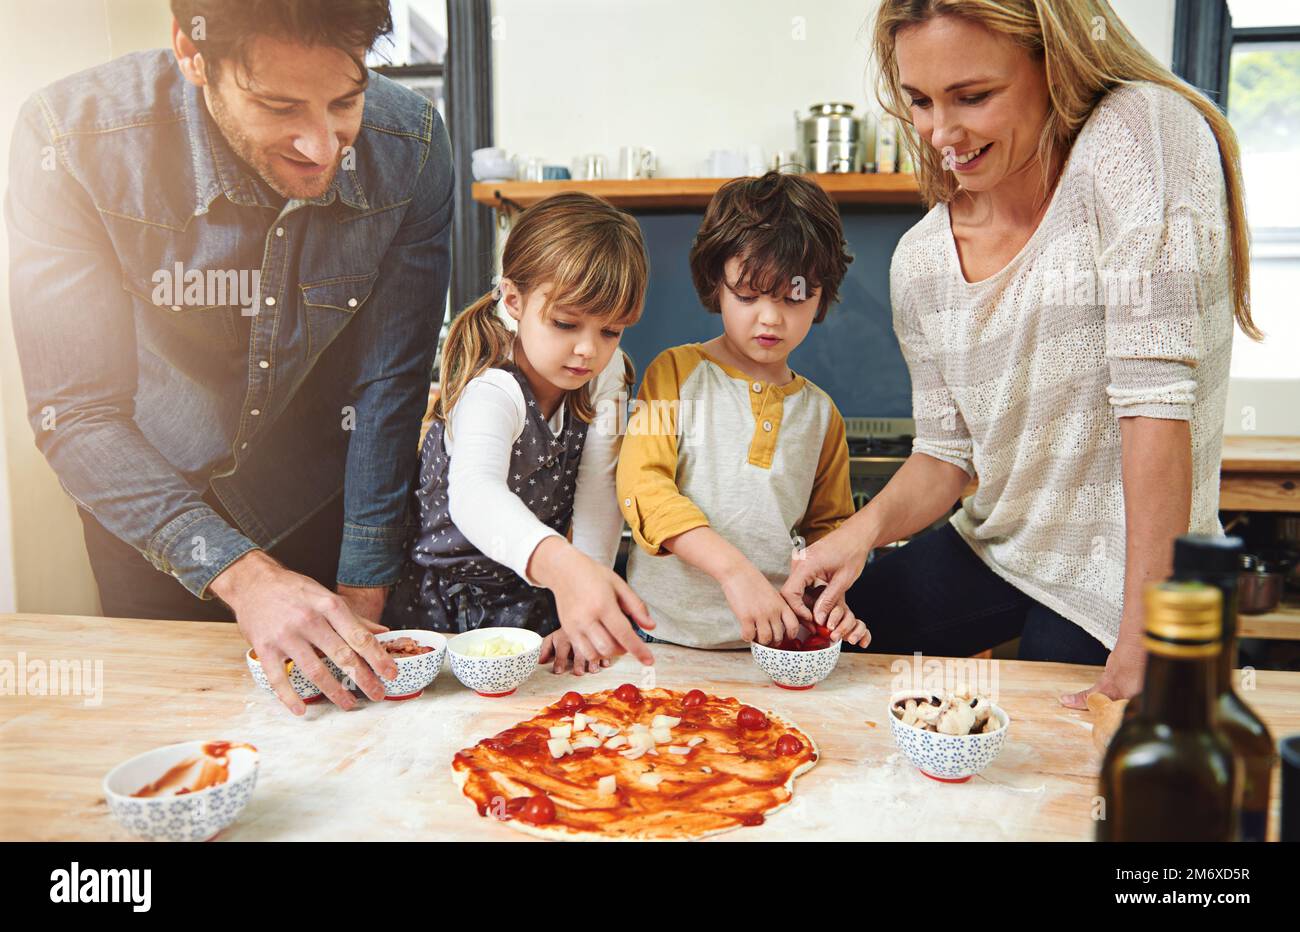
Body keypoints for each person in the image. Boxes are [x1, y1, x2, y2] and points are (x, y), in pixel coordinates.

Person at [782, 0, 1257, 708]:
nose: (943, 131)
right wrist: (856, 537)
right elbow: (945, 457)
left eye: (973, 96)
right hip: (999, 550)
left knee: (1056, 760)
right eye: (919, 100)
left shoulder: (1140, 133)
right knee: (813, 655)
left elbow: (1154, 402)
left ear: (1053, 63)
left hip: (1134, 573)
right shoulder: (920, 263)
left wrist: (1150, 639)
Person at [6, 0, 453, 715]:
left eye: (345, 100)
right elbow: (78, 414)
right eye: (278, 106)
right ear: (191, 51)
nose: (321, 147)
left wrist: (364, 586)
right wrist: (243, 577)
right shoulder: (69, 139)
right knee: (169, 739)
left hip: (326, 503)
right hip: (155, 513)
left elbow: (389, 385)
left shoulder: (413, 144)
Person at [383, 192, 657, 675]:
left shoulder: (607, 377)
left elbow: (599, 492)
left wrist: (584, 593)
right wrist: (566, 568)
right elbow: (475, 494)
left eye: (611, 331)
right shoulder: (492, 389)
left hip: (536, 604)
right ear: (514, 299)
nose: (588, 350)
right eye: (566, 323)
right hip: (444, 611)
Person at [617, 172, 869, 650]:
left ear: (820, 296)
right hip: (661, 638)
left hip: (771, 648)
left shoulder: (822, 415)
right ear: (717, 284)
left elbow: (828, 533)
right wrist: (734, 572)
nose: (770, 318)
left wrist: (829, 600)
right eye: (748, 296)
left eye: (794, 297)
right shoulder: (671, 373)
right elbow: (643, 488)